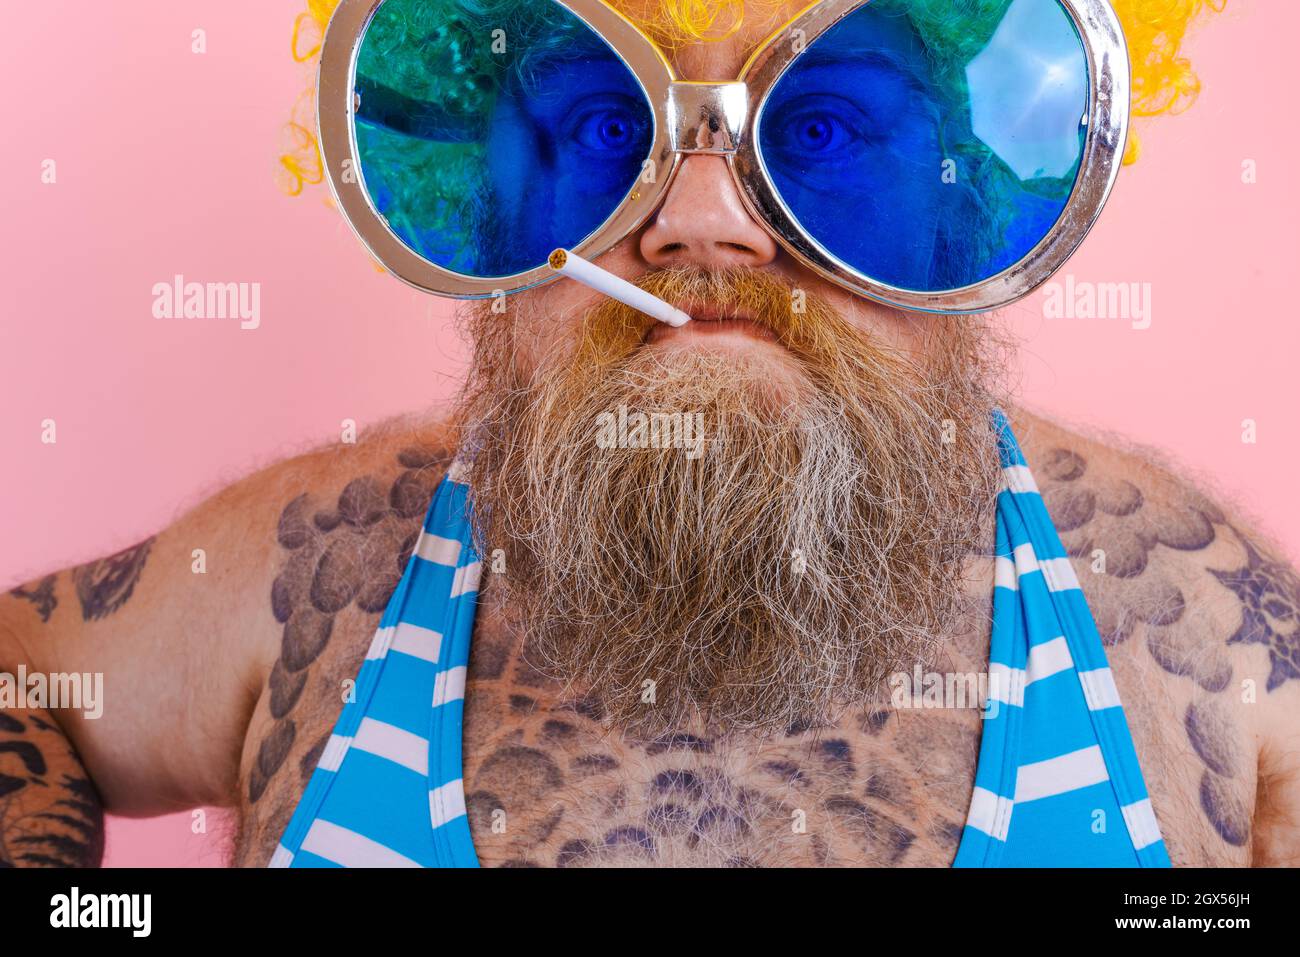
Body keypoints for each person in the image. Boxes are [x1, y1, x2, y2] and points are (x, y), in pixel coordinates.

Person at [5, 0, 1293, 869]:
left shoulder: (1195, 633)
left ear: (971, 197)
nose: (703, 227)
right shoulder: (297, 579)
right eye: (613, 128)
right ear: (488, 192)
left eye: (823, 126)